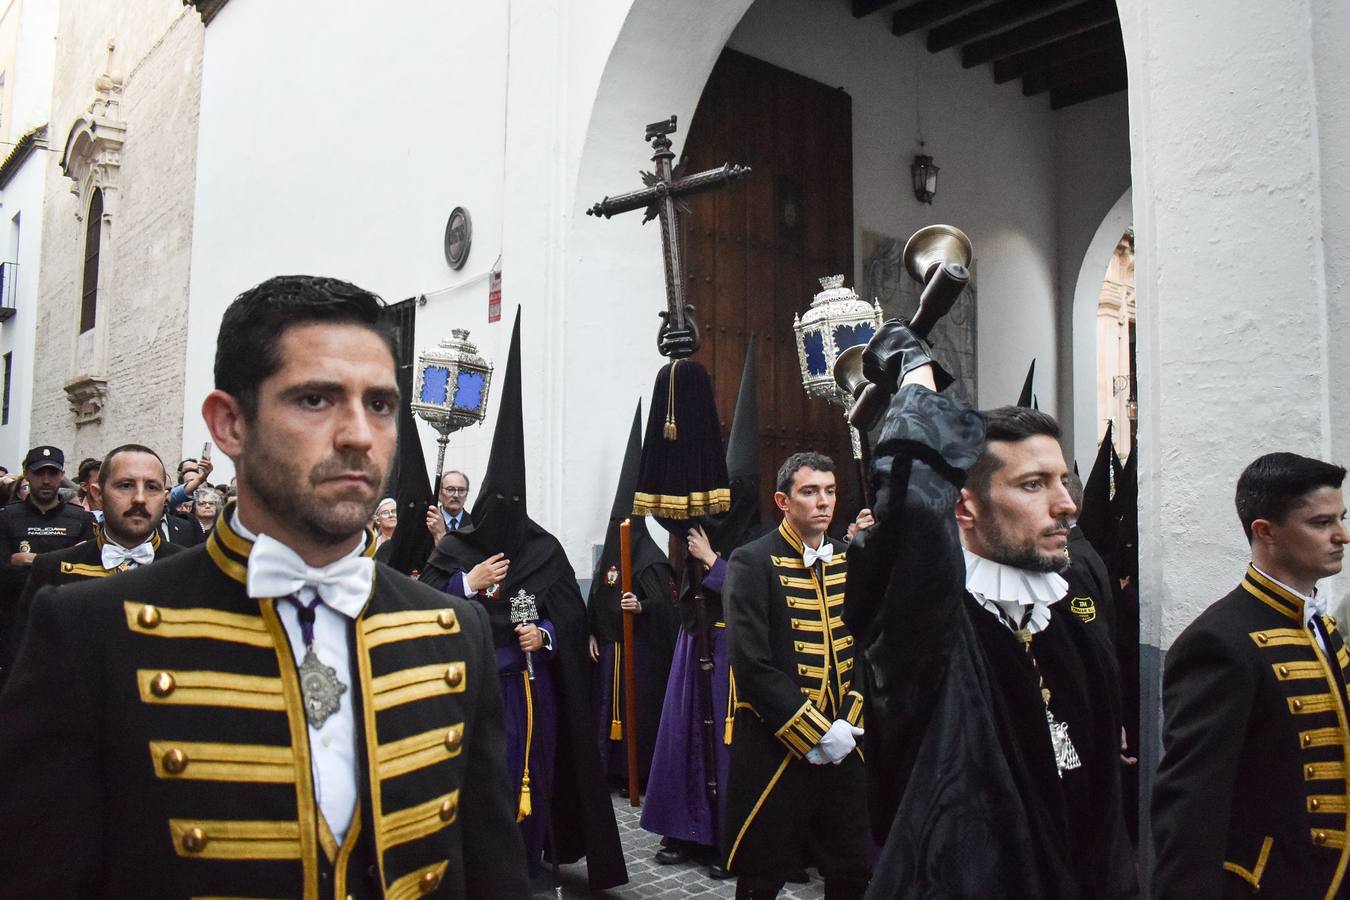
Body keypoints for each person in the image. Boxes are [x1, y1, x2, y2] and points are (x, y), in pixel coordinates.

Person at [0, 274, 528, 898]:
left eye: (380, 404)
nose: (359, 434)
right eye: (315, 399)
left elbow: (491, 873)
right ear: (229, 425)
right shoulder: (89, 632)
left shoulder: (450, 633)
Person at [845, 320, 1135, 899]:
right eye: (1033, 485)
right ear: (965, 507)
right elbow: (913, 516)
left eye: (1063, 480)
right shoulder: (930, 629)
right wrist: (915, 375)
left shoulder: (1067, 617)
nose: (1067, 505)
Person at [419, 311, 627, 891]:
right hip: (478, 691)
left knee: (538, 774)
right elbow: (427, 606)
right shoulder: (459, 548)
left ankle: (532, 859)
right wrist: (470, 581)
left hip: (536, 690)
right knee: (488, 782)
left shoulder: (543, 549)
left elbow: (568, 613)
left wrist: (549, 636)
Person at [1152, 452, 1349, 897]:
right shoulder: (1220, 641)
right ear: (1266, 532)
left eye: (1341, 518)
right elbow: (1191, 803)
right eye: (1321, 523)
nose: (1342, 536)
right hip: (1272, 883)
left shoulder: (1322, 625)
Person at [721, 451, 871, 900]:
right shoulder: (751, 562)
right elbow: (751, 664)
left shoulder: (850, 559)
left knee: (850, 868)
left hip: (845, 743)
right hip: (777, 744)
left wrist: (846, 724)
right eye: (810, 492)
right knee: (762, 872)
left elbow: (866, 649)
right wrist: (815, 734)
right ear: (783, 501)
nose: (823, 502)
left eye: (829, 491)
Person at [642, 341, 761, 879]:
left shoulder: (760, 533)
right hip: (698, 639)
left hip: (737, 650)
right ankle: (685, 829)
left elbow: (764, 588)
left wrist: (713, 562)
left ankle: (727, 836)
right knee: (684, 737)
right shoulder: (702, 518)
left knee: (726, 744)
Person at [3, 444, 184, 672]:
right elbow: (26, 668)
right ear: (98, 493)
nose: (139, 498)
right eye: (126, 485)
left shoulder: (191, 570)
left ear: (165, 497)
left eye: (152, 487)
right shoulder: (53, 570)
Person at [587, 404, 678, 792]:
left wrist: (642, 606)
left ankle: (632, 773)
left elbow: (665, 607)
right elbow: (597, 595)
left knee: (635, 709)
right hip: (608, 648)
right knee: (606, 707)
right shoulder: (611, 553)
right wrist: (592, 631)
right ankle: (606, 768)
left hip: (639, 652)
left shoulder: (651, 561)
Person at [0, 445, 94, 659]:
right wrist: (65, 560)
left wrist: (35, 560)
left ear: (61, 475)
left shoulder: (81, 519)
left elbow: (85, 574)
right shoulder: (6, 518)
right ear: (27, 474)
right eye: (39, 473)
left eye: (52, 473)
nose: (45, 480)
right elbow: (5, 576)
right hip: (16, 625)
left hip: (66, 624)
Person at [426, 470, 472, 542]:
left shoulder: (475, 525)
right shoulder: (429, 522)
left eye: (461, 490)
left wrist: (441, 534)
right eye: (450, 489)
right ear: (440, 493)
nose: (456, 495)